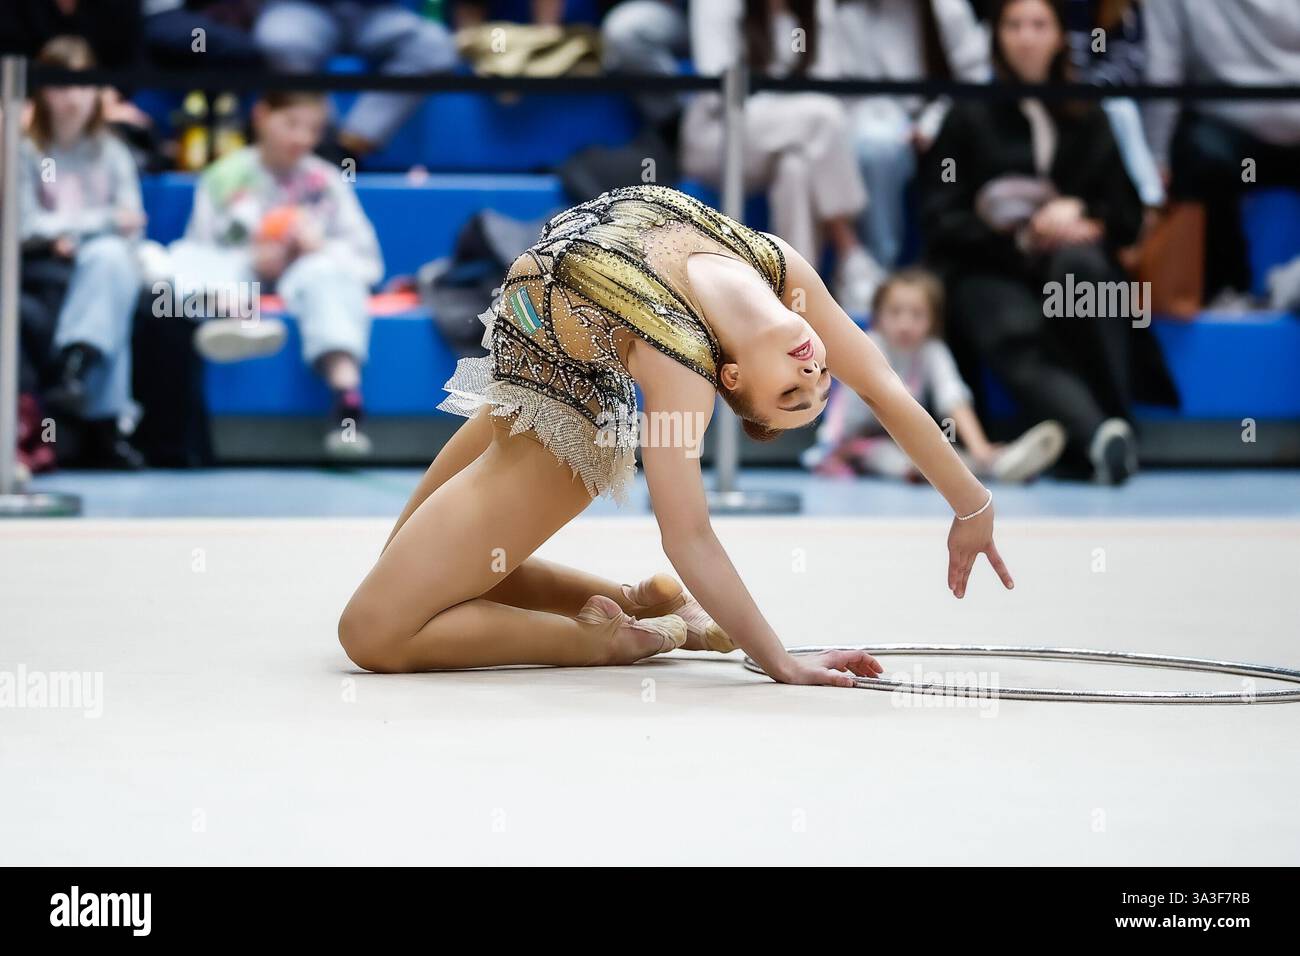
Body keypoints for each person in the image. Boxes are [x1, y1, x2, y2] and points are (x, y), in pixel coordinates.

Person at [338, 183, 1013, 683]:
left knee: (375, 632)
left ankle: (603, 640)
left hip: (561, 435)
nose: (812, 373)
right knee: (417, 575)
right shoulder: (781, 270)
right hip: (522, 387)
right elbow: (884, 386)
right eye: (815, 386)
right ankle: (646, 606)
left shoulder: (682, 367)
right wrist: (972, 506)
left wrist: (779, 660)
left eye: (789, 397)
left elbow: (687, 532)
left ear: (730, 378)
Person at [921, 0, 1175, 485]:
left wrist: (1083, 213)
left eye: (1039, 25)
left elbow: (1125, 217)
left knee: (1084, 275)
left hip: (1066, 266)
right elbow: (940, 218)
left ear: (1060, 35)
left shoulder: (1089, 113)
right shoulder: (967, 116)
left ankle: (1112, 428)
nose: (1026, 36)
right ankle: (1100, 436)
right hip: (986, 266)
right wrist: (1022, 233)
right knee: (1009, 321)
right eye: (1014, 25)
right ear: (997, 36)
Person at [165, 90, 385, 457]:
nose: (302, 139)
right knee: (186, 260)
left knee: (326, 274)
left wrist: (319, 248)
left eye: (313, 130)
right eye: (292, 125)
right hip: (240, 280)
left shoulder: (327, 180)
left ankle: (346, 398)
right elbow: (200, 251)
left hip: (305, 279)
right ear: (262, 115)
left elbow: (369, 263)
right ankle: (239, 321)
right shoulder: (223, 176)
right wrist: (253, 257)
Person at [679, 0, 882, 314]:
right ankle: (849, 250)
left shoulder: (818, 6)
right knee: (823, 118)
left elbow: (824, 79)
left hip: (794, 137)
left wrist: (790, 114)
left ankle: (794, 298)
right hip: (721, 136)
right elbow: (720, 88)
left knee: (796, 167)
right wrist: (791, 110)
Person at [802, 269, 1065, 481]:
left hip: (902, 435)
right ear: (878, 317)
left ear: (933, 321)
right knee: (891, 456)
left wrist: (979, 447)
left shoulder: (932, 350)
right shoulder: (870, 345)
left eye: (917, 315)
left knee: (949, 455)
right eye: (895, 313)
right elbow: (878, 406)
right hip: (853, 441)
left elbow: (953, 398)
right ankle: (924, 467)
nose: (905, 324)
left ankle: (997, 464)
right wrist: (833, 450)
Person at [17, 36, 146, 470]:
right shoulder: (25, 149)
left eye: (81, 85)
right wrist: (102, 221)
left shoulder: (112, 151)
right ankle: (106, 420)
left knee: (109, 262)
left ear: (98, 92)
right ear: (41, 91)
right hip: (43, 264)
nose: (71, 98)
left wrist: (80, 229)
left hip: (101, 260)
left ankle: (77, 364)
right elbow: (26, 226)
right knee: (110, 273)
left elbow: (133, 221)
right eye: (60, 85)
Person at [1142, 0, 1300, 301]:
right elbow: (1163, 72)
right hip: (1225, 131)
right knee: (1201, 160)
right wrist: (1157, 159)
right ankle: (1225, 292)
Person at [832, 0, 991, 270]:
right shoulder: (838, 9)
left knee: (885, 149)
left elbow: (974, 77)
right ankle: (870, 270)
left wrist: (933, 123)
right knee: (874, 148)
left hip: (931, 119)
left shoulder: (948, 8)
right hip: (855, 120)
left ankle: (916, 271)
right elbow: (824, 80)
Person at [253, 0, 459, 163]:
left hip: (374, 12)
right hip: (301, 9)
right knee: (281, 39)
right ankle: (320, 145)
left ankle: (347, 149)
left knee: (434, 46)